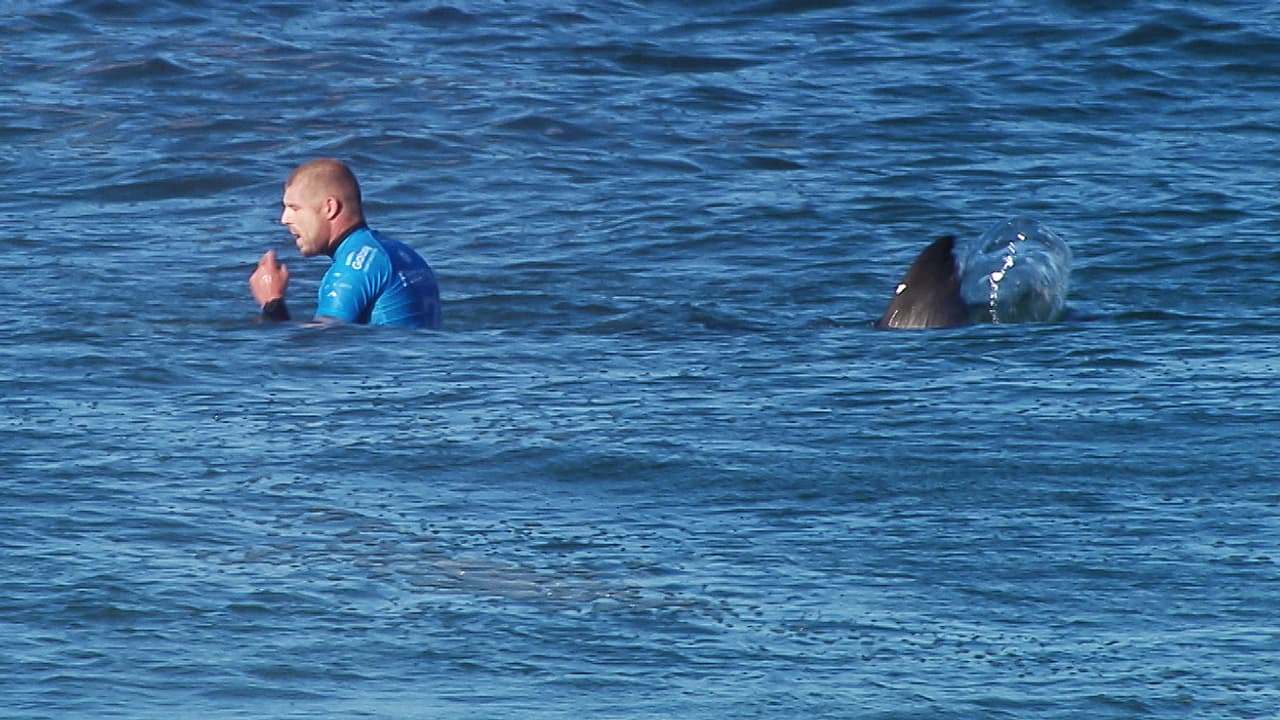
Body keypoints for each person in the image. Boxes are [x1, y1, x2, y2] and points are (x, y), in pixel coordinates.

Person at [249, 158, 442, 329]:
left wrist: (272, 302)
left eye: (294, 208)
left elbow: (323, 348)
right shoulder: (402, 253)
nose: (284, 219)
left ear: (330, 208)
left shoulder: (351, 270)